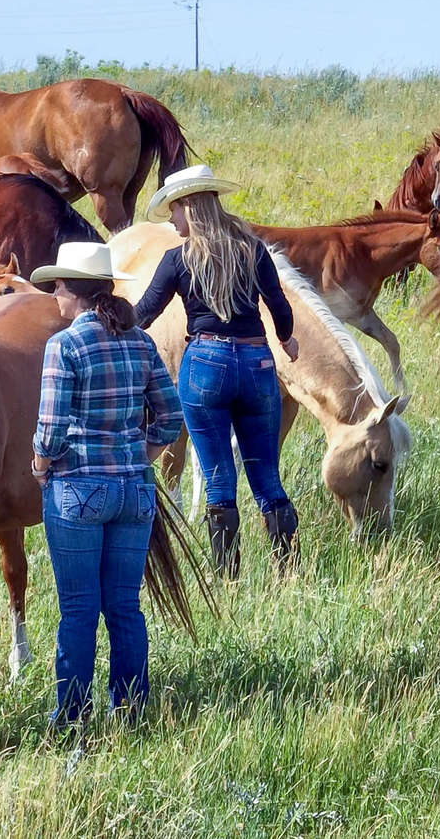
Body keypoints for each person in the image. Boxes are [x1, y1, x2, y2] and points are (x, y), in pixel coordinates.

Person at [30, 242, 183, 729]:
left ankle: (72, 716)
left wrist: (39, 463)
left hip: (77, 490)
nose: (53, 295)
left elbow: (51, 432)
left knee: (78, 610)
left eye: (56, 285)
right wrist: (141, 455)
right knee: (125, 606)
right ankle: (132, 711)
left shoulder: (65, 346)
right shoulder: (140, 342)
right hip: (135, 492)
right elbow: (170, 415)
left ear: (70, 290)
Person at [133, 164, 302, 578]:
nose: (172, 221)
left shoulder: (178, 260)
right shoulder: (252, 249)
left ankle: (227, 577)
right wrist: (286, 338)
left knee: (218, 480)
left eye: (174, 210)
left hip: (205, 365)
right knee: (266, 474)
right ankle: (288, 571)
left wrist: (106, 323)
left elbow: (145, 312)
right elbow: (279, 305)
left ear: (189, 207)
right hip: (258, 362)